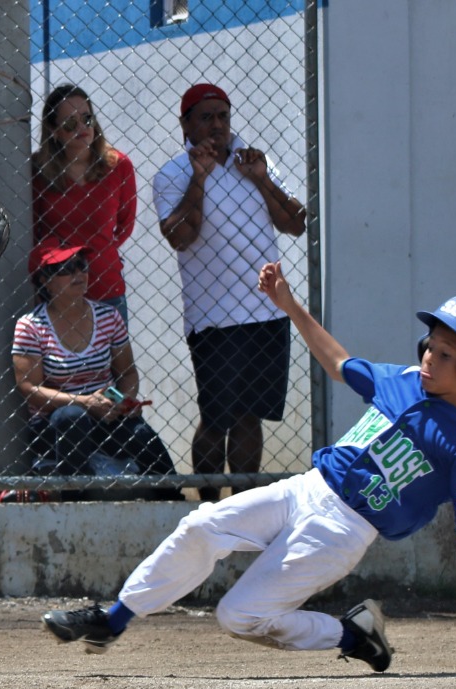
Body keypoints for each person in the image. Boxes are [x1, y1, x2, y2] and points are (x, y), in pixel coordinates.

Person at [42, 261, 456, 671]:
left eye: (447, 354)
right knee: (202, 525)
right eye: (430, 345)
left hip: (341, 533)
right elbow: (339, 362)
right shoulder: (404, 380)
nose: (430, 357)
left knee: (238, 617)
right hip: (305, 489)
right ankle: (113, 620)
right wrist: (289, 304)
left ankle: (353, 635)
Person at [152, 83, 307, 501]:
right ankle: (207, 509)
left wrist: (261, 181)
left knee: (249, 417)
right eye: (206, 117)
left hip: (267, 311)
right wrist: (199, 179)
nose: (217, 125)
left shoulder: (255, 162)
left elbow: (295, 224)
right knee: (216, 418)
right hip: (214, 318)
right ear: (185, 124)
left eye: (223, 115)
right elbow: (182, 236)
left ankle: (241, 507)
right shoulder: (170, 175)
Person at [13, 244, 177, 485]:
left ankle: (173, 499)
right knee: (73, 417)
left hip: (105, 413)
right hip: (56, 423)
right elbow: (29, 388)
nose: (79, 274)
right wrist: (86, 402)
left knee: (142, 436)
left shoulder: (108, 316)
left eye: (82, 265)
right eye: (66, 268)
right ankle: (76, 497)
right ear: (45, 280)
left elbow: (128, 372)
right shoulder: (31, 326)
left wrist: (123, 400)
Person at [32, 84, 135, 323]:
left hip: (106, 287)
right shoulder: (38, 171)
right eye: (69, 123)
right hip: (57, 293)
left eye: (86, 118)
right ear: (54, 131)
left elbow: (125, 225)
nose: (81, 128)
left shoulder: (118, 166)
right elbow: (33, 232)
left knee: (115, 360)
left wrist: (99, 252)